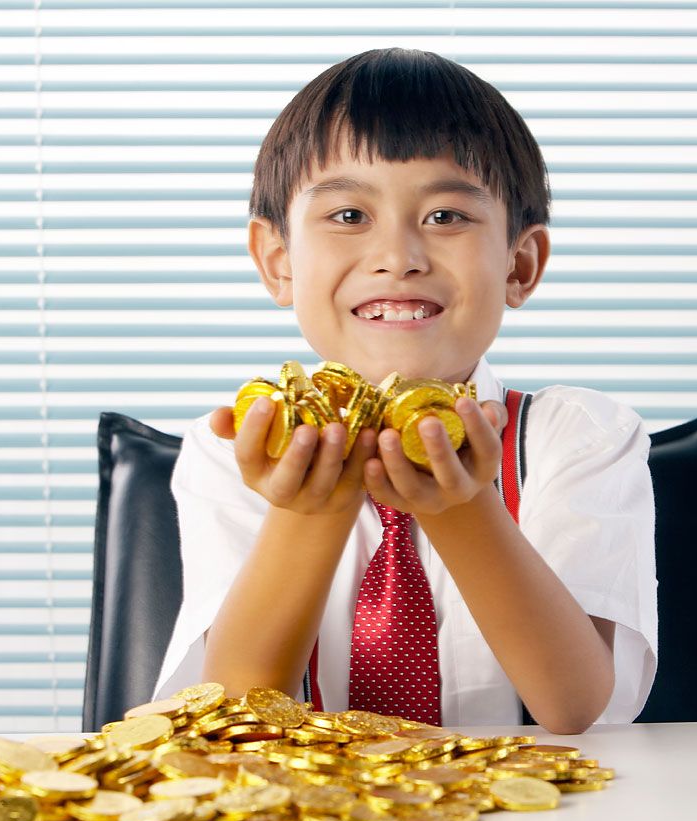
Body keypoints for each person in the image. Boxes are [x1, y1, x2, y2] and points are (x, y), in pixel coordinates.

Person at [153, 47, 656, 734]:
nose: (399, 255)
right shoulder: (229, 454)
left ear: (520, 263)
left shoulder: (579, 435)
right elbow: (237, 715)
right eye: (348, 216)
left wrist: (461, 506)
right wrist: (311, 510)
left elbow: (573, 704)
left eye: (446, 216)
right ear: (277, 263)